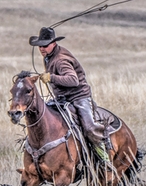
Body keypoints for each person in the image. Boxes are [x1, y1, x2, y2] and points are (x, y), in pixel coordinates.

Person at [28, 26, 110, 164]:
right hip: (62, 98)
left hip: (79, 97)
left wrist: (51, 77)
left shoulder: (60, 60)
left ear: (53, 43)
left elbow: (73, 80)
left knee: (89, 128)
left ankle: (104, 157)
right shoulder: (49, 55)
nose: (42, 49)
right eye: (40, 46)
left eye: (45, 45)